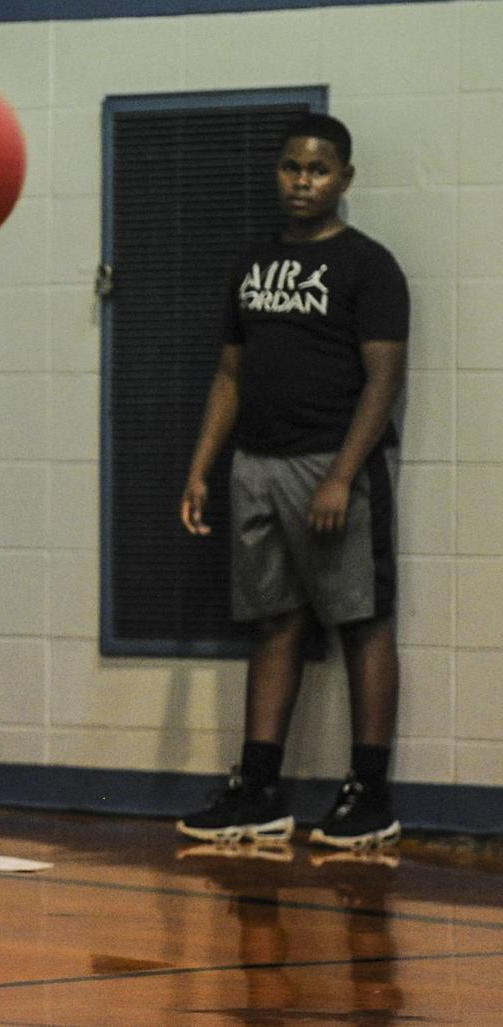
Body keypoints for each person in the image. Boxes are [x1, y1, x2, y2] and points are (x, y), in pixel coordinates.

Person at [176, 114, 408, 851]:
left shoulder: (370, 265)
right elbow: (230, 374)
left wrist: (341, 474)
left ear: (344, 177)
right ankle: (260, 790)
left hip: (330, 467)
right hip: (256, 465)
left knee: (361, 623)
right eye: (290, 168)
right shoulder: (253, 263)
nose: (302, 181)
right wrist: (202, 468)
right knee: (274, 621)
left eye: (317, 170)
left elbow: (384, 379)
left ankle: (369, 793)